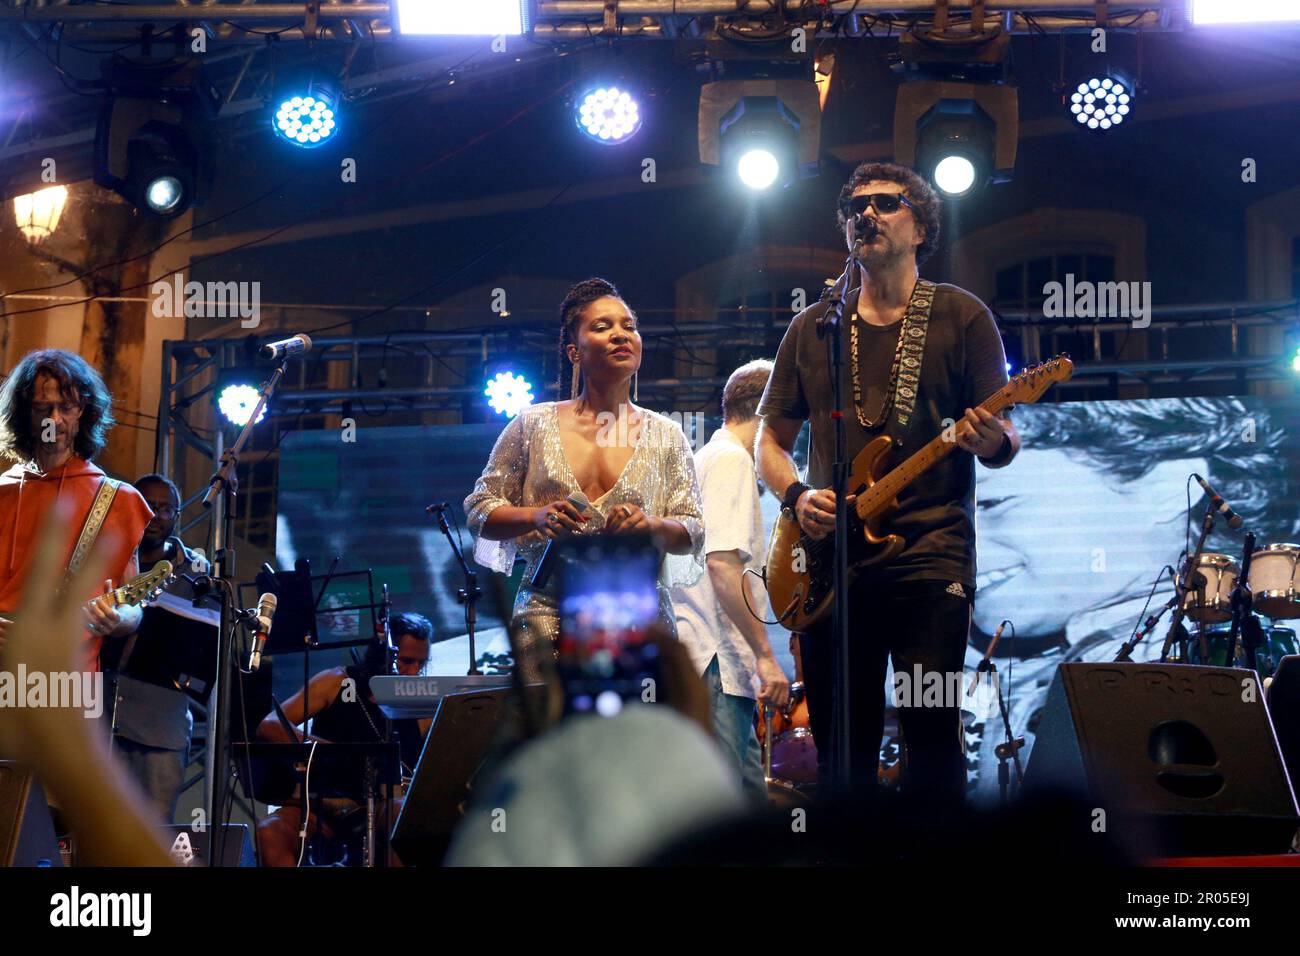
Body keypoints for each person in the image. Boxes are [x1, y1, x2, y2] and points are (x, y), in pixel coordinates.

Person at [755, 162, 1019, 806]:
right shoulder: (813, 326)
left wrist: (994, 441)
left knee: (932, 732)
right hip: (831, 563)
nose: (866, 214)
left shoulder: (963, 315)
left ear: (921, 226)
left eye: (886, 203)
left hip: (930, 560)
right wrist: (795, 496)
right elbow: (770, 443)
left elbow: (1005, 437)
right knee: (843, 745)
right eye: (856, 206)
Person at [463, 277, 705, 680]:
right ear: (574, 351)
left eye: (628, 326)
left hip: (638, 619)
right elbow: (479, 510)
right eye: (602, 327)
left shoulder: (667, 434)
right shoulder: (532, 425)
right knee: (555, 738)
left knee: (633, 740)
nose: (620, 335)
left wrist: (651, 526)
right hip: (547, 615)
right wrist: (535, 517)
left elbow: (694, 529)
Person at [670, 359, 790, 797]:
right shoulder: (730, 461)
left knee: (744, 803)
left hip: (711, 663)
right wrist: (765, 657)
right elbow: (722, 566)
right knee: (718, 808)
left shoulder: (710, 458)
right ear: (768, 410)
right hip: (716, 661)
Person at [0, 349, 152, 670]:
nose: (54, 420)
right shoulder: (3, 492)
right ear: (25, 412)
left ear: (82, 410)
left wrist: (118, 619)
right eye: (43, 408)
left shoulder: (117, 499)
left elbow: (134, 605)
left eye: (65, 407)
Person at [254, 612, 433, 867]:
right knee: (270, 832)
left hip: (381, 807)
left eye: (420, 664)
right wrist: (329, 753)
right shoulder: (337, 682)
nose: (413, 672)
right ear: (384, 652)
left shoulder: (420, 706)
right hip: (323, 805)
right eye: (406, 661)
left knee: (404, 813)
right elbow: (270, 725)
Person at [103, 473, 215, 821]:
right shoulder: (105, 557)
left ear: (177, 515)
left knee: (151, 836)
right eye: (147, 504)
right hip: (98, 719)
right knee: (90, 834)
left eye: (165, 508)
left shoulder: (198, 575)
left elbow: (202, 655)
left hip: (160, 727)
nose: (155, 514)